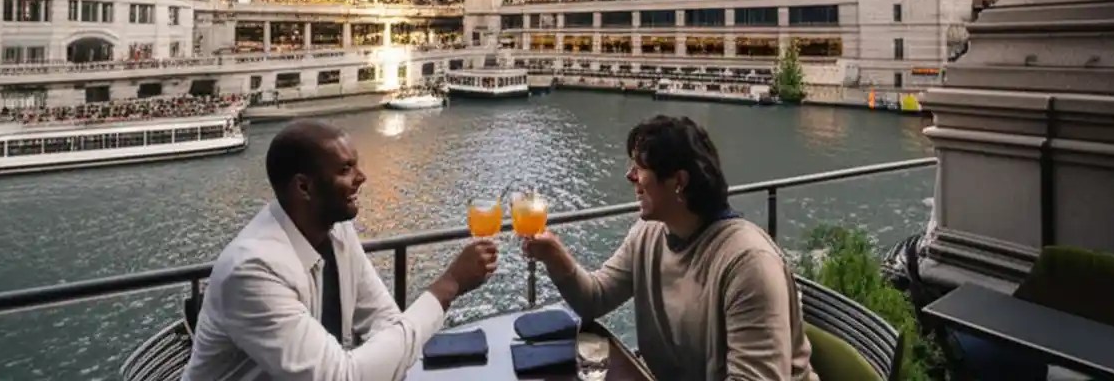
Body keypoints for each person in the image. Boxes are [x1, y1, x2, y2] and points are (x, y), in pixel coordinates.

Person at [183, 119, 498, 381]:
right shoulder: (252, 270)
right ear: (303, 187)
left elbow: (384, 320)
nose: (362, 177)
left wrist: (379, 363)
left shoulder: (338, 231)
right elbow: (341, 378)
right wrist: (448, 285)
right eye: (346, 169)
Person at [524, 115, 818, 381]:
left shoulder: (748, 264)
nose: (630, 178)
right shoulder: (649, 233)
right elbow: (594, 300)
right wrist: (554, 256)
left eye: (639, 168)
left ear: (679, 181)